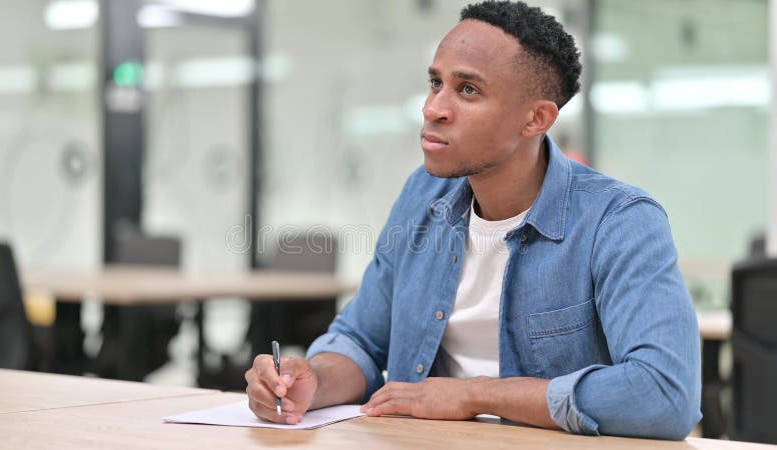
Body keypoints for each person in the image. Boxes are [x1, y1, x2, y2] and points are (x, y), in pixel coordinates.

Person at [245, 0, 701, 440]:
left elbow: (664, 394)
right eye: (435, 83)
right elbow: (361, 341)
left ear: (536, 119)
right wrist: (313, 380)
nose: (433, 109)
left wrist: (473, 395)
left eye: (468, 90)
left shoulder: (619, 221)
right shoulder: (423, 195)